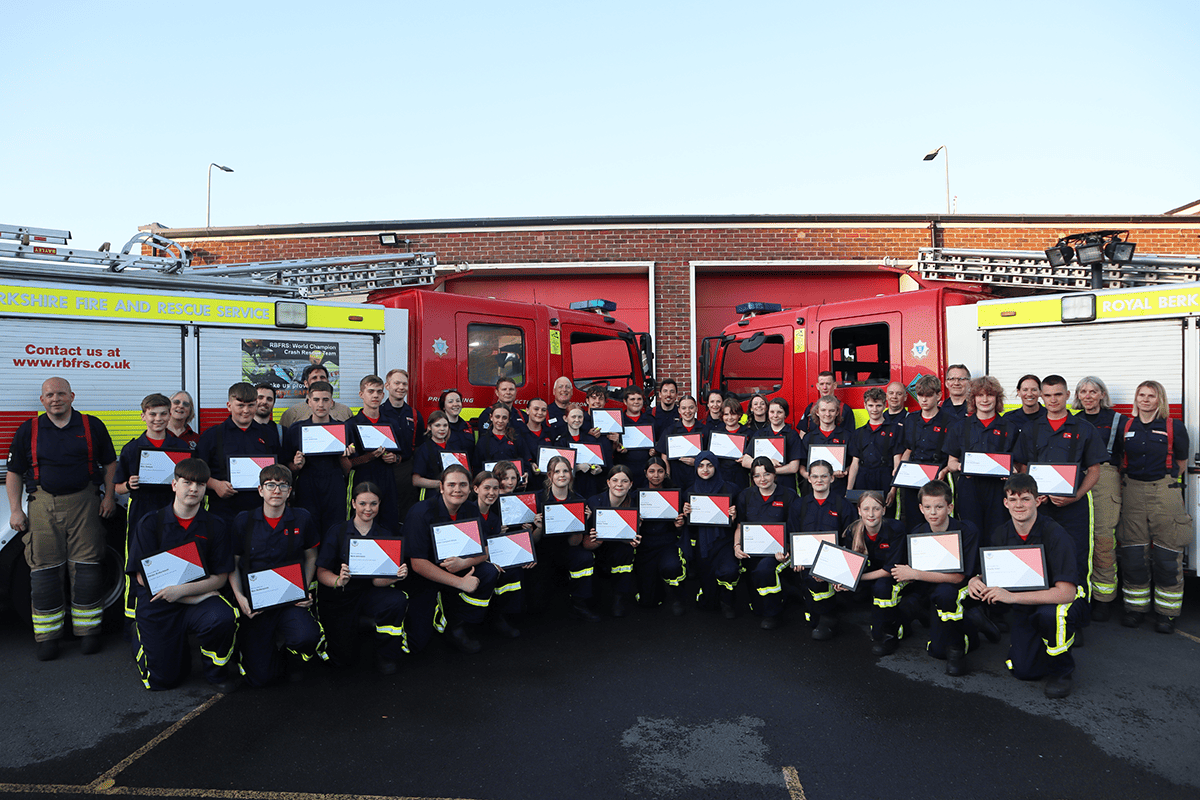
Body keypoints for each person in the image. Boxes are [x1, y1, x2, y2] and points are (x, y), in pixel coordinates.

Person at [7, 377, 117, 660]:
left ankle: (89, 633)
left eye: (60, 394)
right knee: (44, 571)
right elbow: (15, 472)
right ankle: (48, 638)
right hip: (42, 505)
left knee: (88, 567)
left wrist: (108, 497)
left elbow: (110, 463)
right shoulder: (28, 430)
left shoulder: (92, 425)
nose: (55, 399)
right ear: (42, 400)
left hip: (86, 503)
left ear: (72, 396)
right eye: (49, 395)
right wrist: (16, 510)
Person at [126, 458, 237, 691]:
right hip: (158, 602)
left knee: (223, 617)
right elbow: (140, 577)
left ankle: (215, 671)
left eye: (200, 484)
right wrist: (191, 596)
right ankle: (144, 637)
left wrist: (184, 592)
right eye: (187, 482)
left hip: (196, 599)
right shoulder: (150, 523)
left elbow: (221, 577)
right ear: (174, 485)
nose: (194, 489)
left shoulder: (215, 526)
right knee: (162, 681)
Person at [969, 473, 1082, 699]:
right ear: (1005, 503)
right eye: (1013, 499)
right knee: (1025, 671)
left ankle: (1062, 671)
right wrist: (976, 579)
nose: (1019, 505)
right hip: (1024, 604)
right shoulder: (1001, 533)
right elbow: (994, 568)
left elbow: (1066, 593)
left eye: (1026, 499)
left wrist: (1011, 597)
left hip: (1056, 601)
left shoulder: (1055, 534)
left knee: (1052, 616)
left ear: (1038, 500)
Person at [229, 465, 325, 687]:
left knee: (306, 637)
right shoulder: (243, 521)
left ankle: (292, 659)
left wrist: (304, 587)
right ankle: (265, 655)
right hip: (256, 603)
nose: (276, 491)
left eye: (282, 486)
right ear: (260, 490)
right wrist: (241, 599)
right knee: (261, 678)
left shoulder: (302, 518)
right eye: (270, 485)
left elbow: (311, 556)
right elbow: (232, 563)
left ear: (289, 491)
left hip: (290, 598)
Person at [1114, 380, 1191, 634]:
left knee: (1167, 556)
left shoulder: (1173, 426)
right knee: (1134, 554)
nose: (1145, 400)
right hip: (1133, 492)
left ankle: (1167, 614)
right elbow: (1117, 457)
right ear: (1136, 399)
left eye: (1151, 396)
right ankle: (1135, 609)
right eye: (1141, 395)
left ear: (1160, 400)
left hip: (1165, 492)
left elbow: (1181, 460)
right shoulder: (1126, 426)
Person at [1024, 374, 1106, 614]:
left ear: (1068, 395)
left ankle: (1077, 615)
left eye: (1058, 394)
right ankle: (1041, 610)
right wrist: (1036, 495)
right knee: (1040, 555)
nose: (1052, 400)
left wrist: (1077, 496)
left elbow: (1094, 470)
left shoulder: (1085, 429)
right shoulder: (1032, 429)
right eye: (1047, 395)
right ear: (1041, 396)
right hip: (1041, 506)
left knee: (1077, 557)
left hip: (1074, 506)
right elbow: (1020, 466)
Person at [891, 479, 987, 676]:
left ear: (950, 507)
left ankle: (961, 644)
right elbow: (909, 572)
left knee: (939, 649)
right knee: (906, 608)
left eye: (939, 507)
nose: (933, 513)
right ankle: (968, 621)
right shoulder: (917, 533)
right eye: (927, 507)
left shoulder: (967, 531)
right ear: (920, 508)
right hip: (928, 590)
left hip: (957, 591)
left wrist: (915, 574)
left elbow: (957, 577)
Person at [402, 464, 499, 654]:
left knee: (489, 572)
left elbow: (485, 551)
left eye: (463, 485)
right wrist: (460, 583)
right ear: (441, 487)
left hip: (458, 566)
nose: (457, 489)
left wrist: (464, 563)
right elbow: (418, 563)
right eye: (451, 484)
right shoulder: (420, 512)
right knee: (418, 644)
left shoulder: (471, 510)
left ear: (470, 488)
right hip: (424, 576)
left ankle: (457, 624)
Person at [315, 482, 409, 674]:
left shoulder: (385, 535)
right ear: (353, 504)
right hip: (340, 597)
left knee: (397, 600)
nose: (368, 509)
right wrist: (338, 580)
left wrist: (396, 576)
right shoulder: (337, 531)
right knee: (342, 660)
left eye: (373, 504)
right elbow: (321, 572)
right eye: (363, 503)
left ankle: (386, 653)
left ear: (379, 504)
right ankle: (361, 626)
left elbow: (378, 581)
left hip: (370, 593)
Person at [114, 393, 191, 623]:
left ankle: (174, 615)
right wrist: (128, 484)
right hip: (141, 513)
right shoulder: (132, 448)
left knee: (173, 561)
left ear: (170, 416)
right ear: (143, 416)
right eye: (152, 414)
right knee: (136, 565)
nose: (158, 419)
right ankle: (133, 619)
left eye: (162, 414)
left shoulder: (180, 447)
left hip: (172, 511)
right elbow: (117, 487)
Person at [943, 376, 1025, 546]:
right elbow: (951, 462)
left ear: (997, 399)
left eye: (990, 395)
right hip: (969, 489)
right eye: (980, 395)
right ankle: (974, 572)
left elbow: (1018, 464)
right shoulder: (960, 427)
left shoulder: (1009, 427)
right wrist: (962, 466)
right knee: (971, 533)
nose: (985, 400)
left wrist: (1011, 471)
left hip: (999, 490)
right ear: (973, 399)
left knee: (998, 533)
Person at [788, 460, 858, 638]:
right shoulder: (799, 505)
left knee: (817, 583)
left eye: (824, 476)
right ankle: (817, 609)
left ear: (832, 478)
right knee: (811, 584)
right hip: (806, 563)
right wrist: (796, 558)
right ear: (809, 479)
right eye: (815, 476)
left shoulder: (843, 506)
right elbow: (792, 534)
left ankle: (828, 617)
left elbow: (850, 541)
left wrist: (837, 568)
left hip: (835, 562)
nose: (819, 480)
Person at [195, 382, 280, 525]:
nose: (246, 410)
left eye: (251, 405)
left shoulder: (269, 435)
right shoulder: (212, 435)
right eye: (240, 405)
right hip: (222, 512)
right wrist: (215, 485)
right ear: (229, 405)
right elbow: (196, 471)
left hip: (260, 511)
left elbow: (279, 469)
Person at [1073, 376, 1122, 619]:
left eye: (1093, 391)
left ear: (1102, 394)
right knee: (1079, 539)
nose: (1088, 396)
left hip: (1105, 477)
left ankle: (1104, 598)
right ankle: (1082, 593)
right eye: (1083, 391)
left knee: (1103, 539)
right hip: (1076, 476)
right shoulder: (1072, 420)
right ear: (1078, 396)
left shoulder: (1117, 421)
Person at [529, 455, 598, 621]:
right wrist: (538, 528)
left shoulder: (579, 501)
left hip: (567, 549)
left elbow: (574, 542)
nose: (562, 475)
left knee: (584, 557)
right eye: (557, 471)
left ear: (571, 475)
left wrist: (581, 523)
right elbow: (534, 541)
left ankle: (579, 603)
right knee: (538, 608)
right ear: (549, 475)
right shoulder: (538, 499)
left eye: (566, 471)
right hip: (542, 551)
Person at [839, 489, 908, 654]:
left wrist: (856, 580)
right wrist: (842, 580)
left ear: (884, 510)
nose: (871, 514)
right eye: (866, 509)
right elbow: (851, 564)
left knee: (882, 588)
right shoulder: (852, 530)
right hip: (869, 574)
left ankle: (890, 634)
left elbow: (889, 570)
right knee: (845, 593)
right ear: (859, 511)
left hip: (895, 576)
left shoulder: (896, 529)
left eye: (876, 508)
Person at [280, 381, 352, 537]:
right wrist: (297, 465)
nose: (321, 404)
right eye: (316, 400)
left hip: (335, 486)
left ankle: (331, 562)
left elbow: (347, 469)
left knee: (335, 531)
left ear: (332, 402)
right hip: (306, 485)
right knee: (307, 530)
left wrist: (344, 457)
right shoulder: (296, 429)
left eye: (326, 400)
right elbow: (287, 466)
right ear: (309, 402)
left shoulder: (343, 429)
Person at [734, 457, 798, 630]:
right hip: (752, 551)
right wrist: (737, 546)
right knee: (756, 606)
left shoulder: (788, 495)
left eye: (767, 474)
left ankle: (773, 614)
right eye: (757, 476)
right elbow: (740, 525)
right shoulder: (746, 495)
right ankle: (782, 594)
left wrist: (788, 550)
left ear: (774, 474)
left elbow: (795, 529)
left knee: (764, 571)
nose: (762, 479)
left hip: (778, 553)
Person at [682, 451, 740, 618]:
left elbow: (741, 521)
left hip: (725, 541)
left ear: (716, 466)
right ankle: (711, 597)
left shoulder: (731, 488)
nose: (705, 469)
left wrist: (734, 517)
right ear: (695, 469)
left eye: (709, 465)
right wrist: (687, 517)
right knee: (708, 601)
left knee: (729, 571)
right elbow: (690, 530)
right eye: (700, 466)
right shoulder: (689, 492)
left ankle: (727, 601)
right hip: (703, 544)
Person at [343, 375, 402, 531]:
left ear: (383, 395)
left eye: (379, 392)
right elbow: (347, 464)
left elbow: (402, 455)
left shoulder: (392, 423)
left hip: (387, 480)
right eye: (370, 391)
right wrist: (370, 457)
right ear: (361, 394)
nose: (375, 395)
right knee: (359, 523)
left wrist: (394, 458)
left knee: (389, 522)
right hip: (361, 480)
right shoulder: (350, 425)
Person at [475, 470, 529, 638]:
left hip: (491, 558)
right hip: (471, 562)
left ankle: (499, 616)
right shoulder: (467, 512)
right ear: (476, 489)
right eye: (487, 488)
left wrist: (526, 556)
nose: (491, 493)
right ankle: (471, 621)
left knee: (514, 570)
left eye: (496, 488)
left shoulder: (494, 517)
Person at [898, 375, 955, 527]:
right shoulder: (911, 420)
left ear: (938, 396)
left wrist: (945, 470)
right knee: (912, 521)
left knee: (939, 521)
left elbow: (954, 454)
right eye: (920, 395)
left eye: (928, 395)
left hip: (938, 478)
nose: (923, 400)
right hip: (913, 477)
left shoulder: (950, 421)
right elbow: (908, 450)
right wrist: (899, 471)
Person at [633, 457, 688, 614]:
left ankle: (679, 596)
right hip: (646, 546)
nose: (655, 475)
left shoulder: (676, 494)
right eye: (651, 471)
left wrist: (679, 525)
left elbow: (681, 528)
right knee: (648, 602)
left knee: (671, 567)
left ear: (666, 473)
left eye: (660, 471)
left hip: (667, 543)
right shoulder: (637, 495)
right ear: (645, 473)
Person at [585, 465, 642, 617]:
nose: (619, 485)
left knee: (627, 551)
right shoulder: (593, 502)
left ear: (630, 484)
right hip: (598, 549)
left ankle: (619, 597)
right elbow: (585, 544)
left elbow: (631, 538)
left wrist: (632, 539)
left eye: (624, 481)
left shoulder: (635, 504)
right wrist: (594, 539)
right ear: (608, 482)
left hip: (620, 549)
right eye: (615, 480)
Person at [380, 368, 424, 522]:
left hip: (406, 470)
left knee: (406, 514)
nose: (401, 387)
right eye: (396, 383)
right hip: (383, 470)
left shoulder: (415, 415)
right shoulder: (379, 412)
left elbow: (419, 446)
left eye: (404, 384)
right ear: (387, 386)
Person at [846, 387, 901, 505]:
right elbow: (855, 463)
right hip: (863, 478)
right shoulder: (858, 433)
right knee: (863, 515)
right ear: (865, 405)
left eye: (878, 406)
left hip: (885, 477)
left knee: (885, 515)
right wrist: (849, 491)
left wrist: (893, 490)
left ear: (885, 405)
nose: (874, 409)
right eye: (871, 405)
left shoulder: (895, 429)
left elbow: (897, 461)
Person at [554, 403, 612, 499]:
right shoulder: (561, 441)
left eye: (580, 417)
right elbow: (557, 467)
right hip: (570, 487)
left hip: (590, 487)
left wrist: (598, 469)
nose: (577, 420)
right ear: (565, 418)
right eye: (573, 417)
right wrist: (578, 467)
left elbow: (603, 465)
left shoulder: (591, 440)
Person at [799, 396, 853, 496]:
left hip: (838, 488)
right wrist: (810, 476)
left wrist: (845, 471)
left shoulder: (847, 436)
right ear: (817, 412)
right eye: (823, 410)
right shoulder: (808, 438)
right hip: (813, 490)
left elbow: (853, 462)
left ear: (837, 412)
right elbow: (801, 465)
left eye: (831, 410)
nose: (827, 414)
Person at [278, 364, 353, 427]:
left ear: (327, 381)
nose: (319, 380)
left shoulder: (345, 411)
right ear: (306, 383)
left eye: (322, 377)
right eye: (314, 378)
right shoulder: (292, 413)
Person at [656, 394, 704, 492]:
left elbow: (710, 457)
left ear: (696, 409)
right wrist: (667, 478)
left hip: (698, 478)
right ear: (679, 410)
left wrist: (697, 463)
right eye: (684, 408)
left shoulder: (705, 430)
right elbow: (664, 456)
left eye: (691, 408)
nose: (687, 411)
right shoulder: (670, 430)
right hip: (676, 478)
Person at [413, 411, 463, 496]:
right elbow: (416, 480)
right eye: (437, 425)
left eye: (445, 425)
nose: (442, 429)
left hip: (454, 495)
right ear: (429, 427)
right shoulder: (424, 449)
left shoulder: (455, 448)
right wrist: (441, 484)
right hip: (432, 496)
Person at [473, 404, 529, 478]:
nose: (500, 421)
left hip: (512, 485)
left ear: (508, 419)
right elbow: (476, 467)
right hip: (491, 485)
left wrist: (527, 474)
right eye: (497, 417)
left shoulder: (517, 439)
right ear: (491, 417)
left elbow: (526, 463)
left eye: (504, 418)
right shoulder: (483, 442)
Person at [615, 387, 656, 486]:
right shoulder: (618, 421)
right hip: (625, 469)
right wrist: (617, 447)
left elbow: (658, 441)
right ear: (625, 401)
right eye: (632, 399)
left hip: (645, 470)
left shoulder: (650, 420)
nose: (636, 402)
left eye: (639, 399)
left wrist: (655, 450)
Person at [517, 398, 556, 493]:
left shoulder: (551, 433)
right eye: (536, 409)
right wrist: (529, 464)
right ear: (527, 410)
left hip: (548, 485)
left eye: (543, 410)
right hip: (527, 486)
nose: (540, 413)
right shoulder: (518, 434)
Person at [713, 397, 751, 489]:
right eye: (726, 414)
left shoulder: (749, 433)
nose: (729, 418)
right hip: (722, 477)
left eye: (733, 414)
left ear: (739, 415)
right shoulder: (716, 434)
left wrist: (747, 457)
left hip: (741, 476)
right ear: (722, 416)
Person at [438, 389, 476, 460]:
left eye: (458, 401)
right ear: (443, 406)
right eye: (450, 402)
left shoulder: (468, 427)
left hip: (465, 470)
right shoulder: (438, 428)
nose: (455, 404)